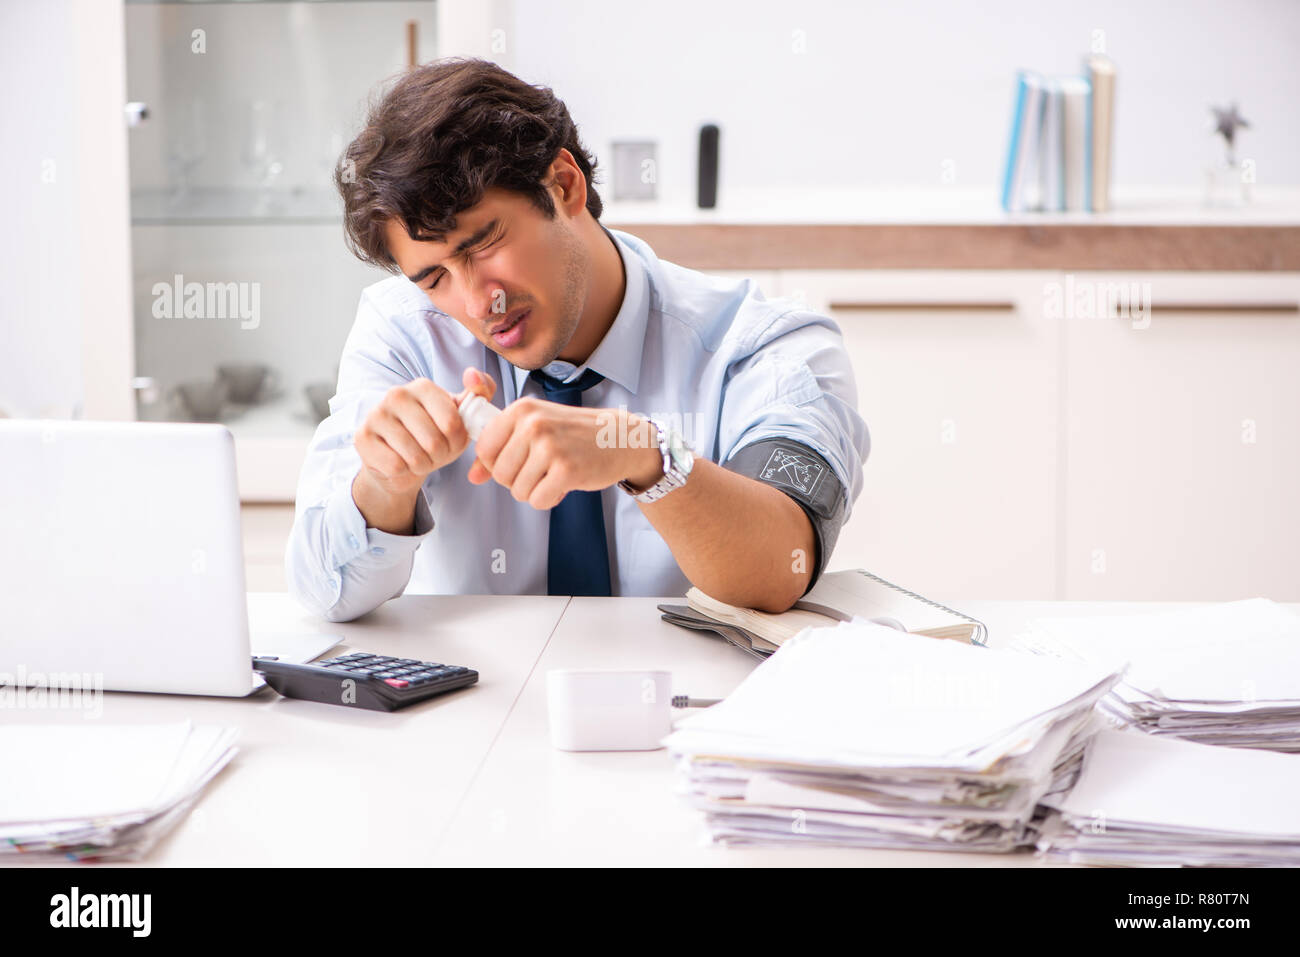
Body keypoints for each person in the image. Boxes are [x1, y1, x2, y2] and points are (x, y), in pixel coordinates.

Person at [286, 57, 869, 623]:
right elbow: (323, 594)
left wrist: (645, 455)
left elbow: (780, 569)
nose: (475, 302)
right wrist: (386, 486)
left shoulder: (763, 347)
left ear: (563, 185)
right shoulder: (403, 335)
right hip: (480, 708)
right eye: (435, 277)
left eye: (483, 245)